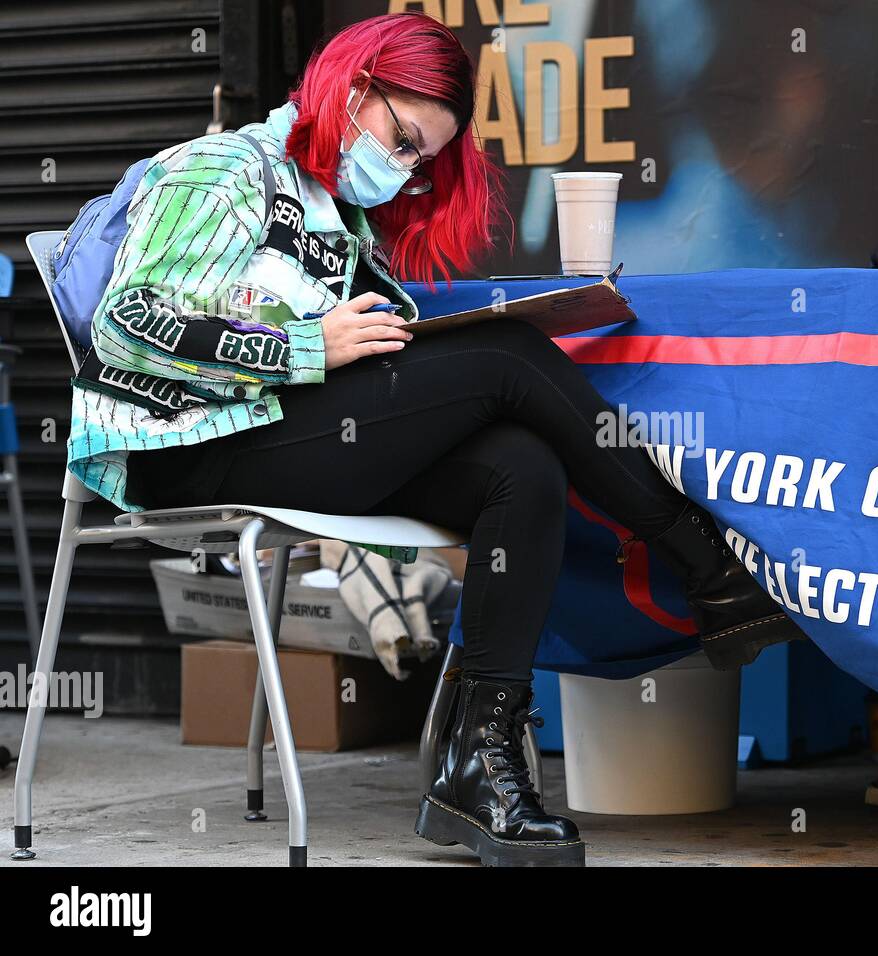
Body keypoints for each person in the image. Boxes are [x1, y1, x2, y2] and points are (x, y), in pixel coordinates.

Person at [65, 11, 802, 866]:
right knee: (511, 360)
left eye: (419, 159)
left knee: (521, 468)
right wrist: (306, 343)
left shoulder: (339, 217)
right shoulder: (223, 168)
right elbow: (129, 320)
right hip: (190, 445)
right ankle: (707, 566)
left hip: (287, 432)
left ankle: (476, 769)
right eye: (401, 137)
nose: (404, 167)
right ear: (353, 84)